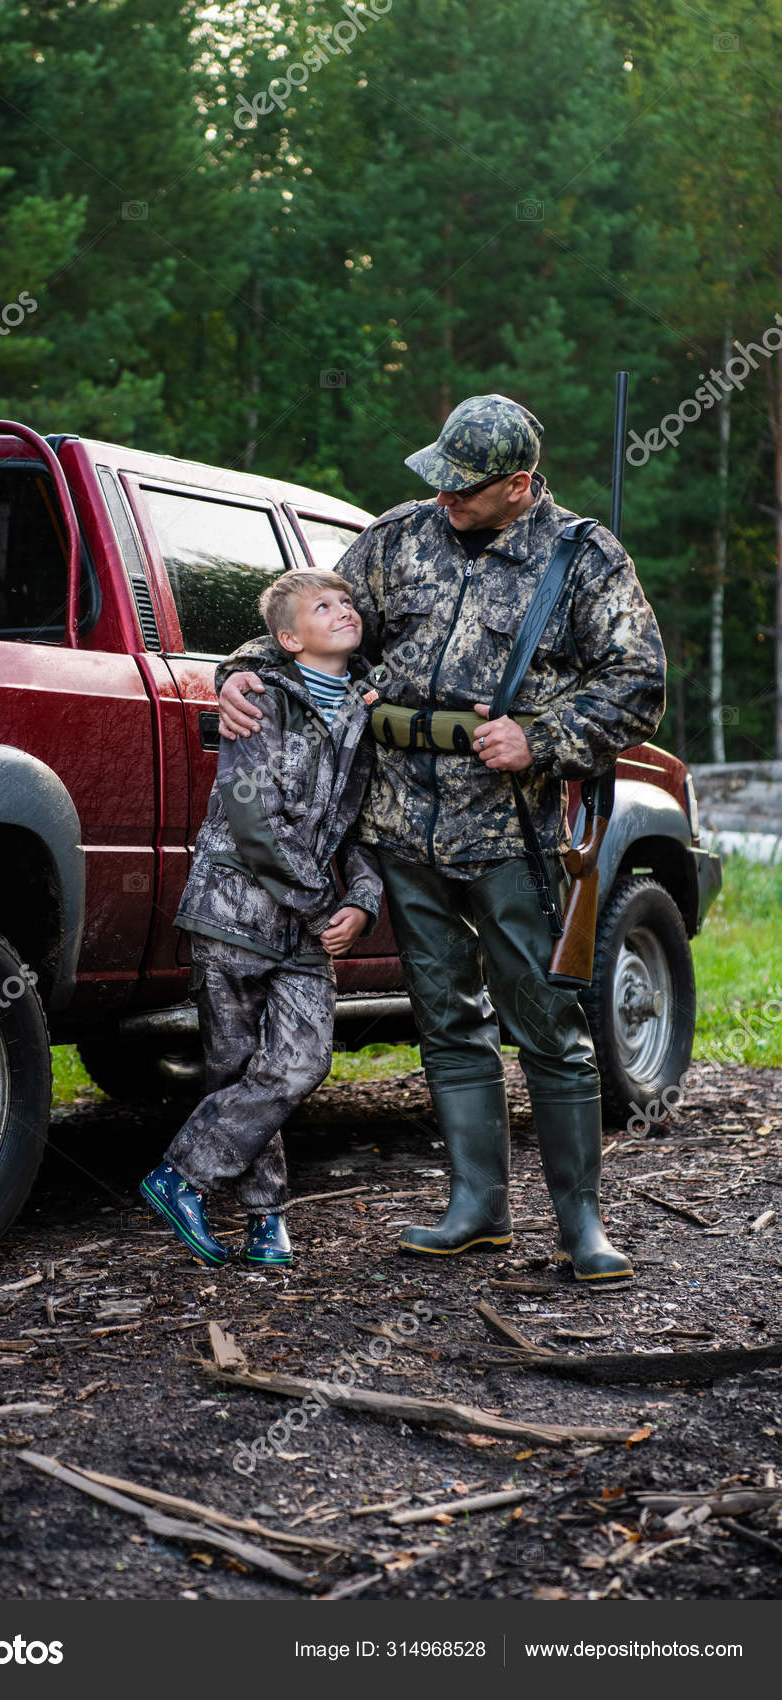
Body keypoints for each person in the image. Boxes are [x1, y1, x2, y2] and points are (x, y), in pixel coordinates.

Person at [214, 394, 667, 1285]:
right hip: (400, 827)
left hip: (515, 835)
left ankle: (580, 1225)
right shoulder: (396, 540)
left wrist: (541, 737)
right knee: (445, 1020)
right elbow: (308, 622)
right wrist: (238, 672)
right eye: (442, 483)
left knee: (546, 1024)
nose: (446, 500)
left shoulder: (581, 559)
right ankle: (476, 1209)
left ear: (519, 485)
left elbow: (636, 681)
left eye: (466, 490)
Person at [140, 568, 383, 1270]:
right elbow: (251, 816)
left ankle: (179, 1177)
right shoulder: (259, 700)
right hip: (232, 916)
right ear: (286, 637)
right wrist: (318, 902)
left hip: (305, 925)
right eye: (322, 607)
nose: (342, 612)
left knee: (299, 1064)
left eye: (345, 603)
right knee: (234, 1068)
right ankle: (264, 1219)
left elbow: (363, 826)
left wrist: (360, 901)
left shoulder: (367, 708)